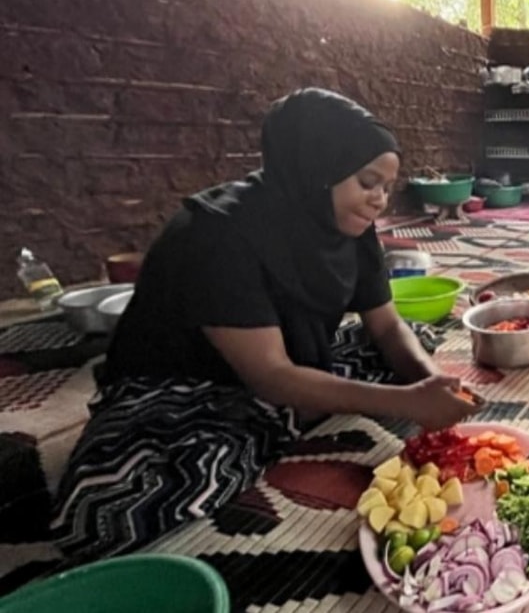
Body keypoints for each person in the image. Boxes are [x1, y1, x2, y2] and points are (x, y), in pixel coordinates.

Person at [50, 88, 477, 563]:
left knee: (411, 344)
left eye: (386, 187)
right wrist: (405, 401)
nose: (379, 200)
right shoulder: (217, 236)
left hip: (287, 358)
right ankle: (292, 412)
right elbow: (269, 376)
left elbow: (387, 324)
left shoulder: (348, 224)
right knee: (110, 507)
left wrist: (427, 382)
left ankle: (305, 404)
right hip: (188, 383)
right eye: (367, 182)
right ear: (317, 171)